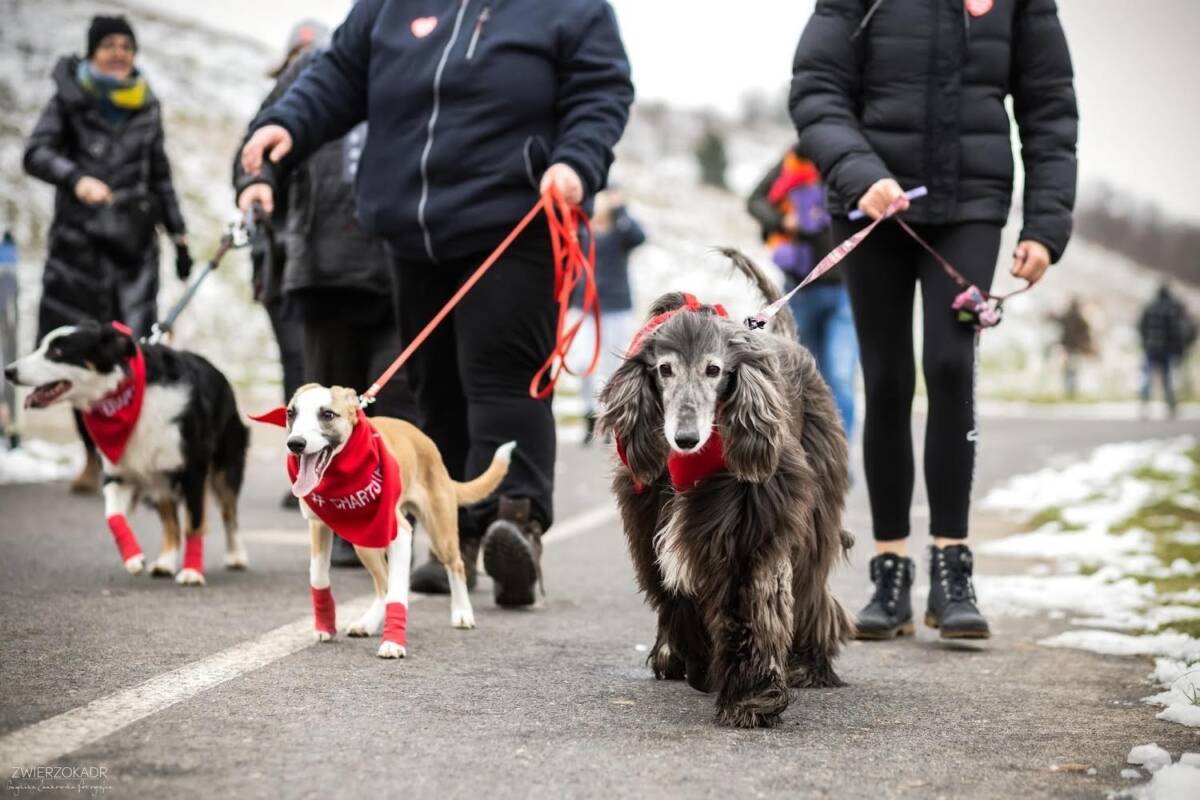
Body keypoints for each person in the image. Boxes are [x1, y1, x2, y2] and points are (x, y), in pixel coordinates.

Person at [239, 0, 633, 608]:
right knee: (434, 385)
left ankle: (516, 522)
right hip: (409, 232)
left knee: (502, 377)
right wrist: (288, 124)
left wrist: (577, 161)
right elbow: (341, 72)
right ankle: (458, 536)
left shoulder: (572, 9)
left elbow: (601, 90)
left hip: (516, 220)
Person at [791, 0, 1078, 639]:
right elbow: (816, 88)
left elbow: (1049, 107)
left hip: (970, 201)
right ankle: (889, 571)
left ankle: (953, 570)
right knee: (887, 380)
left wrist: (1046, 225)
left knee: (950, 365)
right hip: (870, 204)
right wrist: (859, 172)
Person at [234, 22, 419, 542]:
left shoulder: (413, 60)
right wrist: (256, 185)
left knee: (394, 404)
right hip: (323, 268)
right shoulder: (311, 70)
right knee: (324, 409)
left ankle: (388, 521)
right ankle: (342, 526)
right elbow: (256, 150)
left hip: (400, 263)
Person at [24, 15, 191, 493]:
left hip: (134, 251)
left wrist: (178, 235)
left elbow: (160, 174)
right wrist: (76, 178)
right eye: (109, 45)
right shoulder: (69, 100)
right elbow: (35, 152)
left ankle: (127, 451)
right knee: (74, 357)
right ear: (93, 51)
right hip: (78, 252)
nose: (119, 52)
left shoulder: (147, 105)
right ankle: (91, 457)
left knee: (129, 352)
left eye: (126, 45)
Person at [748, 147, 858, 438]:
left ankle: (839, 457)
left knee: (841, 377)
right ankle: (808, 450)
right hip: (800, 289)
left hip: (848, 290)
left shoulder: (852, 156)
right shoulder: (794, 159)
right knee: (801, 375)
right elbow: (754, 201)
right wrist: (782, 221)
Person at [570, 189, 646, 445]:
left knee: (613, 365)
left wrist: (621, 209)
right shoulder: (582, 232)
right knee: (583, 362)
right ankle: (589, 414)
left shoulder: (620, 233)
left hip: (615, 307)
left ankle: (610, 416)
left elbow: (639, 237)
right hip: (585, 308)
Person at [1138, 284, 1193, 419]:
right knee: (1167, 378)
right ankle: (1171, 406)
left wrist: (1145, 342)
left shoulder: (1150, 307)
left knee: (1148, 377)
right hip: (1166, 349)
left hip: (1151, 348)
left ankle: (1144, 405)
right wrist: (1179, 349)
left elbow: (1141, 326)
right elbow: (1176, 331)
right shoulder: (1170, 309)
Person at [1048, 296, 1095, 399]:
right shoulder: (1079, 318)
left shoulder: (1072, 318)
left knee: (1070, 370)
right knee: (1072, 370)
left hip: (1070, 347)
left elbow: (1057, 319)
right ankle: (1070, 390)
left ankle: (1070, 390)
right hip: (1073, 348)